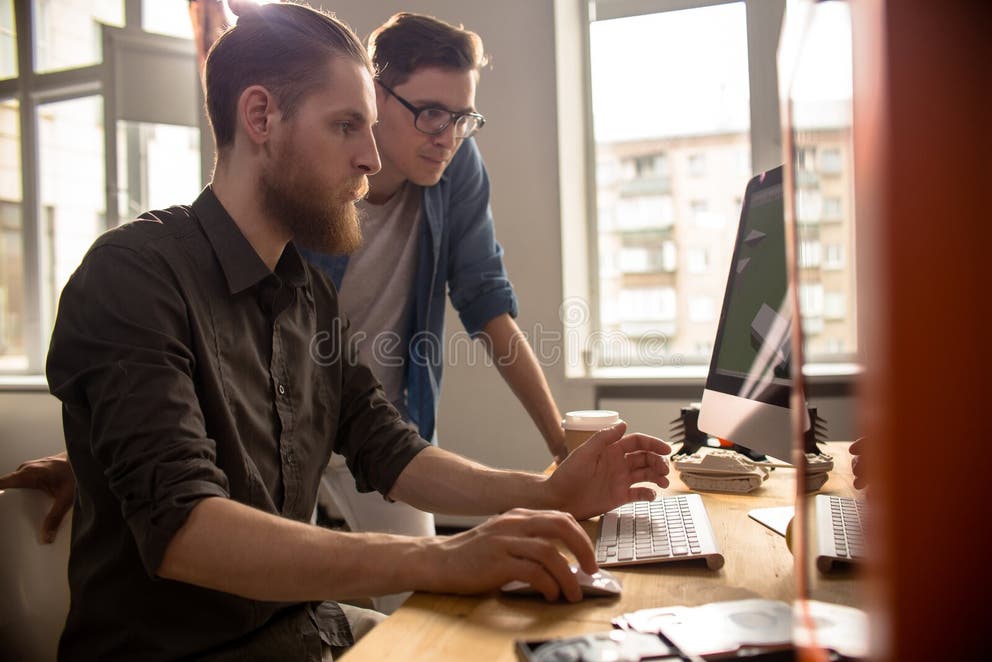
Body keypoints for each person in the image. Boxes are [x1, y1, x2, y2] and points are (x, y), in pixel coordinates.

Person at [7, 4, 670, 659]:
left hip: (303, 630)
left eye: (372, 128)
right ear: (261, 116)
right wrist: (440, 557)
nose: (369, 156)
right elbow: (185, 529)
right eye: (348, 126)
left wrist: (546, 491)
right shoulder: (133, 276)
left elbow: (388, 446)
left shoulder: (306, 293)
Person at [299, 12, 569, 610]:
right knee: (270, 606)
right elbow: (224, 318)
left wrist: (560, 444)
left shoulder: (456, 170)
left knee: (417, 610)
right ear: (373, 94)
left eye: (461, 117)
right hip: (282, 420)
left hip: (384, 427)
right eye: (429, 112)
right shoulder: (314, 172)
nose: (446, 134)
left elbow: (487, 304)